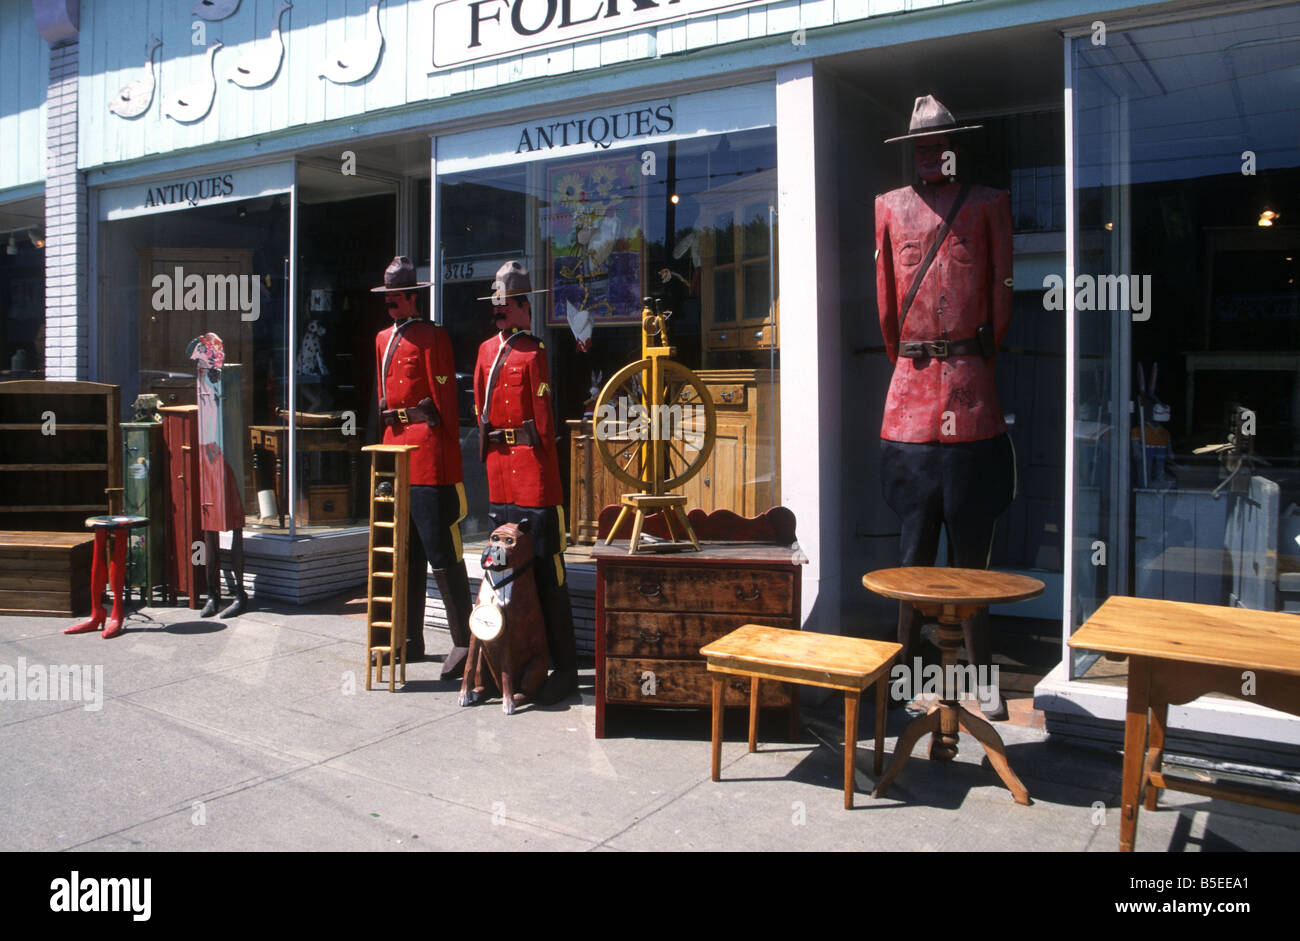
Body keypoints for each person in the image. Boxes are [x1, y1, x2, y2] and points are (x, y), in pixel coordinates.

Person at [875, 95, 1017, 718]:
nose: (932, 154)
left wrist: (968, 361)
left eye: (941, 144)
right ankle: (904, 674)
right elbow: (885, 307)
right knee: (911, 550)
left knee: (973, 553)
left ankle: (981, 680)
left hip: (969, 390)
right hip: (908, 401)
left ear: (960, 147)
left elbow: (1000, 299)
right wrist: (912, 362)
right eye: (922, 146)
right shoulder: (888, 208)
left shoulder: (989, 205)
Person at [473, 260, 578, 705]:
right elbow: (481, 408)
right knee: (500, 576)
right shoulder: (484, 352)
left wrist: (549, 479)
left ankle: (566, 668)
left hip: (535, 478)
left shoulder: (535, 353)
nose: (498, 312)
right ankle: (501, 664)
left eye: (505, 305)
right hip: (501, 476)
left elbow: (546, 420)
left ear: (522, 308)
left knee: (549, 575)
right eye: (495, 305)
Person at [373, 256, 473, 679]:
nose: (391, 303)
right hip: (396, 451)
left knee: (442, 552)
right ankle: (409, 638)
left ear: (414, 296)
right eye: (388, 296)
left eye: (397, 295)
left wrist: (449, 464)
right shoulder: (382, 339)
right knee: (404, 551)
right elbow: (381, 398)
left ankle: (464, 642)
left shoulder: (434, 338)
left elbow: (446, 406)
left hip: (430, 455)